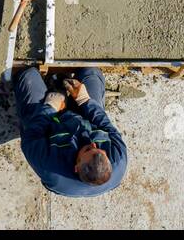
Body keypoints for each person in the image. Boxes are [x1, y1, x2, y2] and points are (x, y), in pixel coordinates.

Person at [14, 67, 127, 197]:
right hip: (82, 119)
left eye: (87, 150)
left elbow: (31, 136)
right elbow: (106, 126)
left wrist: (50, 108)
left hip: (50, 127)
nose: (93, 145)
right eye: (100, 150)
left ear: (76, 167)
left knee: (28, 76)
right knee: (90, 72)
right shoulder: (118, 159)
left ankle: (43, 89)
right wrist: (84, 100)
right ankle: (68, 92)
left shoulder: (51, 168)